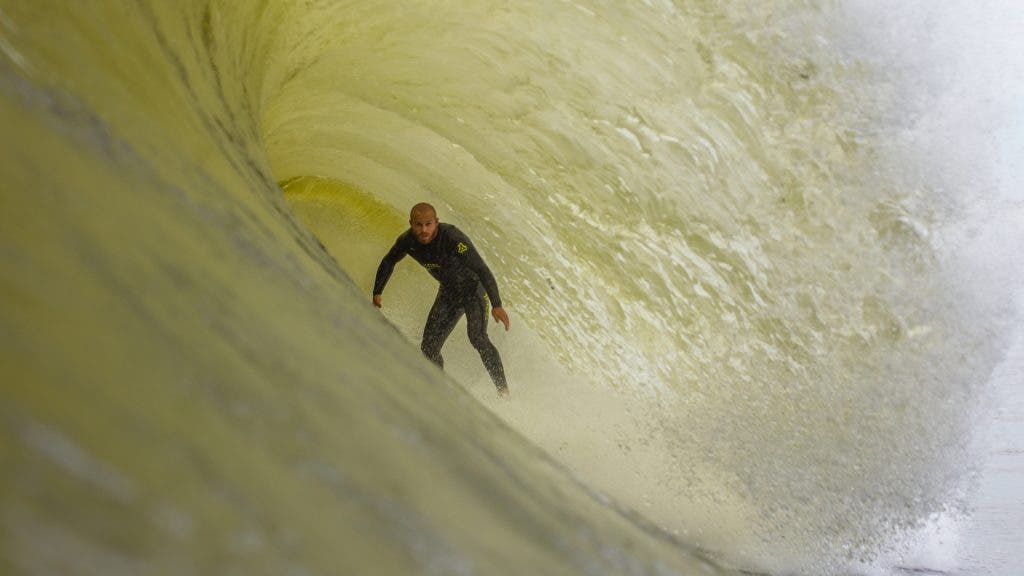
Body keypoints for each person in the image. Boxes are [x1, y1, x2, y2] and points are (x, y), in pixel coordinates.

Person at [373, 203, 511, 397]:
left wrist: (497, 304)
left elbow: (481, 268)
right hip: (449, 294)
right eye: (418, 225)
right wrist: (377, 292)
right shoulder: (407, 241)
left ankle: (503, 391)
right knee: (429, 348)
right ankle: (439, 391)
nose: (424, 230)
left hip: (474, 291)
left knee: (477, 337)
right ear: (411, 223)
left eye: (428, 224)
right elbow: (389, 260)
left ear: (436, 222)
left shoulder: (453, 238)